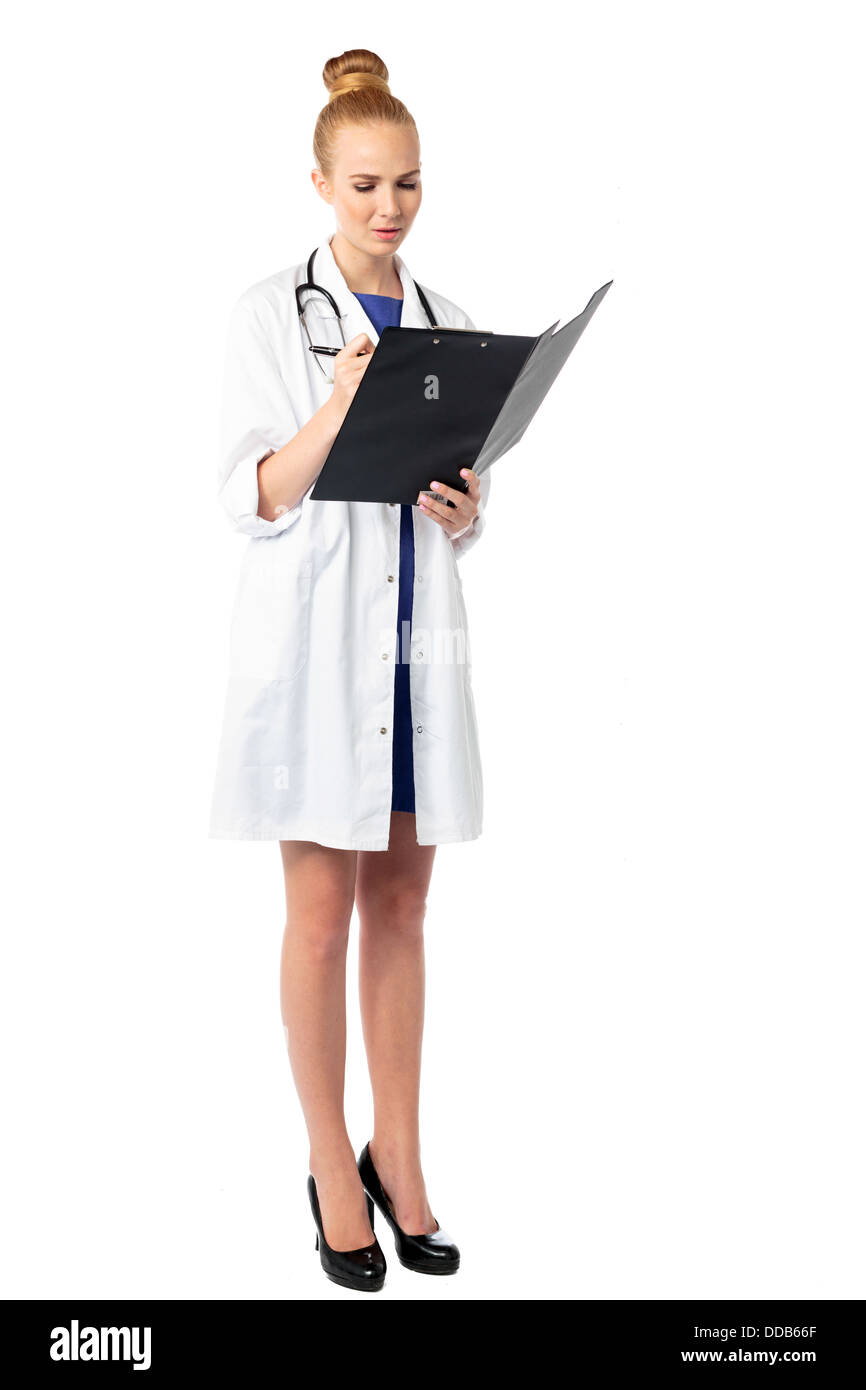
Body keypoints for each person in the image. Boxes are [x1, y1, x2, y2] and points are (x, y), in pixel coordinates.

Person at [209, 47, 491, 1292]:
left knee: (407, 909)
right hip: (314, 659)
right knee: (318, 922)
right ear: (319, 181)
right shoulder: (272, 314)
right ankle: (330, 1163)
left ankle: (402, 1152)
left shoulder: (443, 320)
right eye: (367, 184)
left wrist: (465, 500)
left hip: (412, 645)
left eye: (409, 186)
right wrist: (339, 405)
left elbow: (453, 506)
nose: (389, 210)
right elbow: (250, 494)